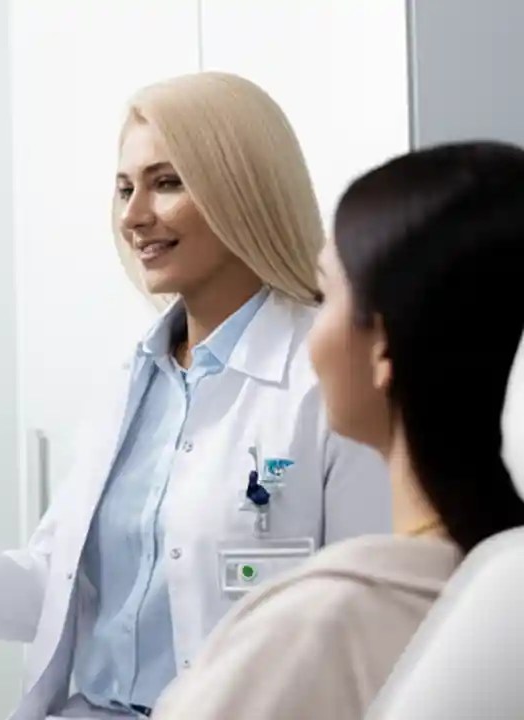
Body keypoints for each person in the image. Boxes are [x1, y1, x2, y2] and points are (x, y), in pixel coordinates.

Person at [0, 71, 391, 719]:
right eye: (124, 188)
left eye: (166, 183)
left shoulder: (329, 378)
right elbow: (54, 595)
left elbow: (373, 628)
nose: (134, 217)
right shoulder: (131, 386)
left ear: (245, 188)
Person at [151, 140, 524, 719]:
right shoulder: (497, 602)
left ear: (384, 345)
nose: (310, 335)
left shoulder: (322, 628)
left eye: (324, 297)